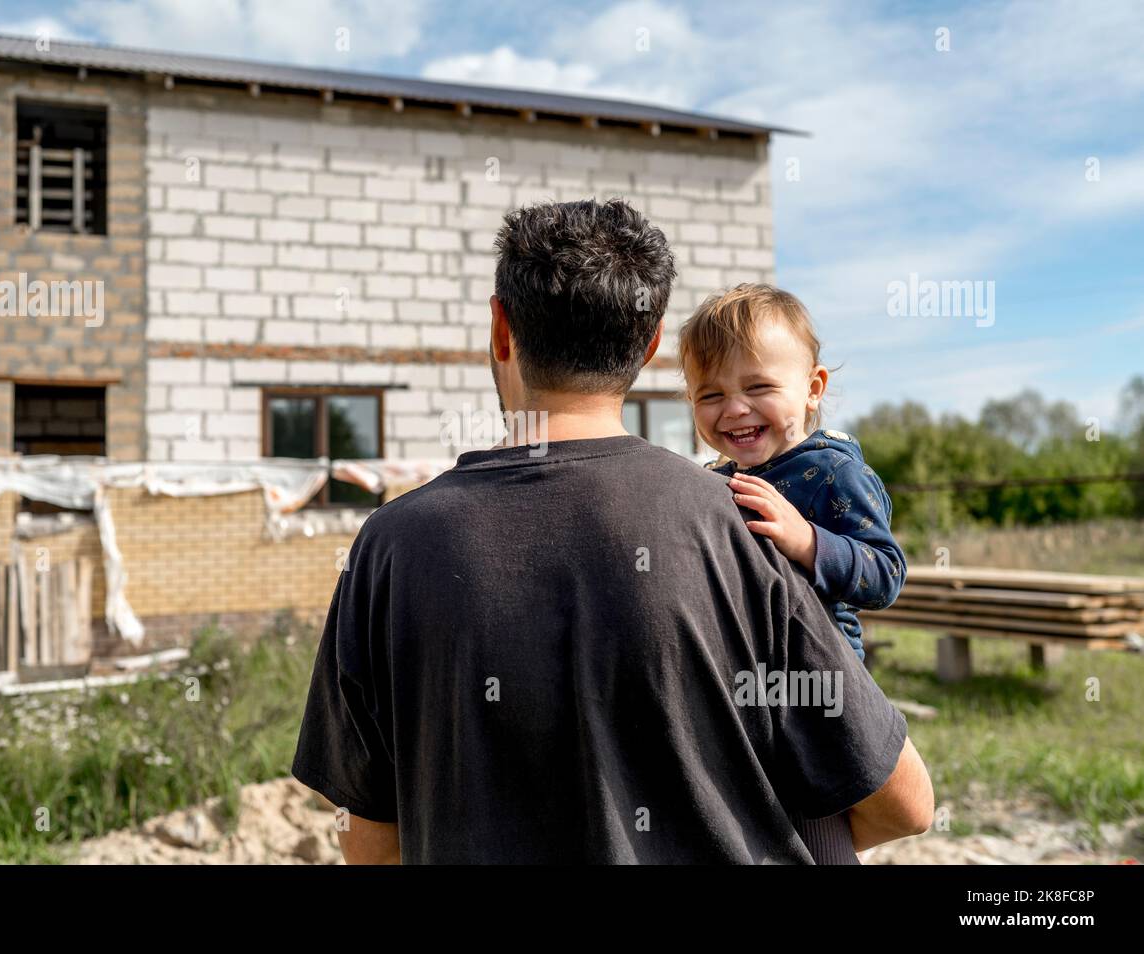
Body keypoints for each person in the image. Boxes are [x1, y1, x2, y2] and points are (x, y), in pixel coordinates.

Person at [290, 198, 933, 864]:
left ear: (500, 329)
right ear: (651, 343)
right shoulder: (740, 520)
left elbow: (371, 844)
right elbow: (906, 803)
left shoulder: (388, 547)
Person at [678, 283, 908, 663]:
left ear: (813, 389)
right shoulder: (717, 480)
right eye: (711, 395)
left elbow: (886, 575)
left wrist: (806, 541)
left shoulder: (833, 473)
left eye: (758, 387)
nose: (735, 409)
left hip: (820, 676)